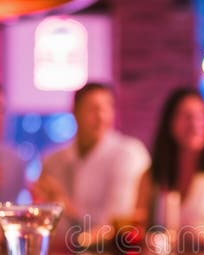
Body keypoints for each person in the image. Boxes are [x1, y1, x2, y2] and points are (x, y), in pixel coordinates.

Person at [33, 83, 150, 245]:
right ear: (75, 112)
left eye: (106, 108)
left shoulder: (128, 153)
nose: (101, 117)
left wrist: (66, 206)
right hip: (60, 253)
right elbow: (45, 220)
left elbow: (116, 222)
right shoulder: (52, 160)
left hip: (111, 253)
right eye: (92, 109)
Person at [138, 88, 204, 246]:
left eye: (201, 117)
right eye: (187, 117)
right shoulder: (152, 176)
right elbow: (138, 226)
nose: (195, 124)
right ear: (170, 122)